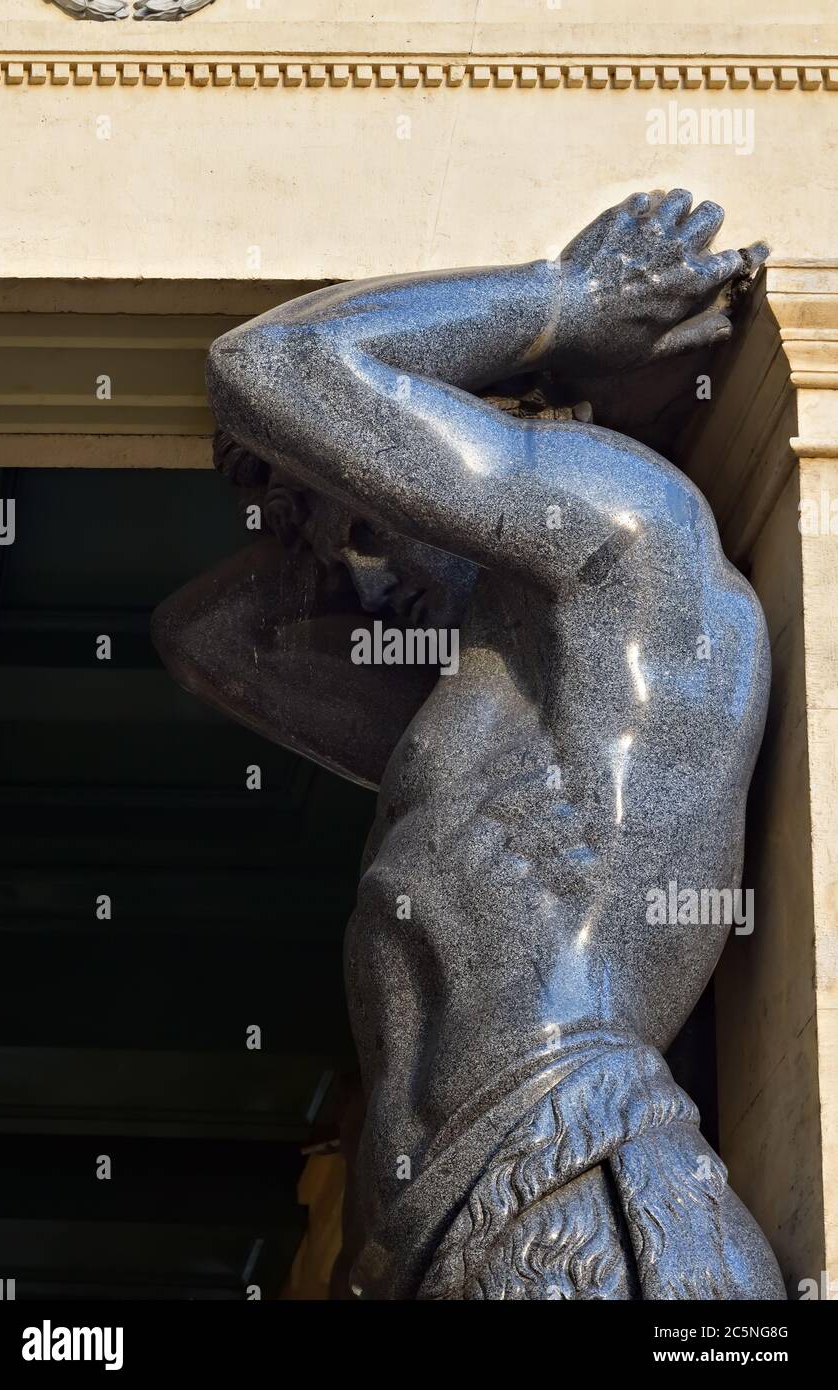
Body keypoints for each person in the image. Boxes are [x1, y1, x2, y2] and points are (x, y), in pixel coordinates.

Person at [154, 191, 785, 1299]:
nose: (346, 560)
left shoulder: (631, 549)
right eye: (320, 527)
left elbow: (274, 365)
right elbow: (208, 638)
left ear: (464, 429)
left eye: (363, 492)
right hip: (442, 1234)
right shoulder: (463, 721)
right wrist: (302, 505)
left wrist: (557, 304)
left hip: (570, 1188)